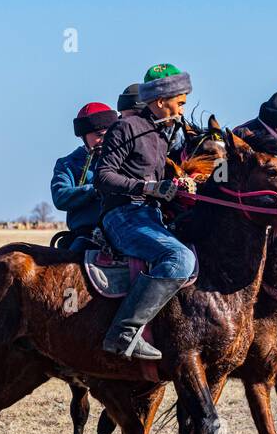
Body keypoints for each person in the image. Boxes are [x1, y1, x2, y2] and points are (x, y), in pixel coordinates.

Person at [93, 63, 199, 361]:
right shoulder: (125, 127)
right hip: (123, 216)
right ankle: (124, 333)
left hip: (150, 216)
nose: (181, 111)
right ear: (161, 100)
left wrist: (176, 185)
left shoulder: (161, 134)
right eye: (179, 104)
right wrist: (148, 188)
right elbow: (103, 177)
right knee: (180, 258)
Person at [52, 102, 118, 250]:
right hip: (86, 235)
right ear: (83, 136)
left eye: (111, 134)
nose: (105, 140)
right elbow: (60, 197)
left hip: (123, 230)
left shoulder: (125, 158)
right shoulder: (67, 164)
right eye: (99, 135)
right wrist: (95, 190)